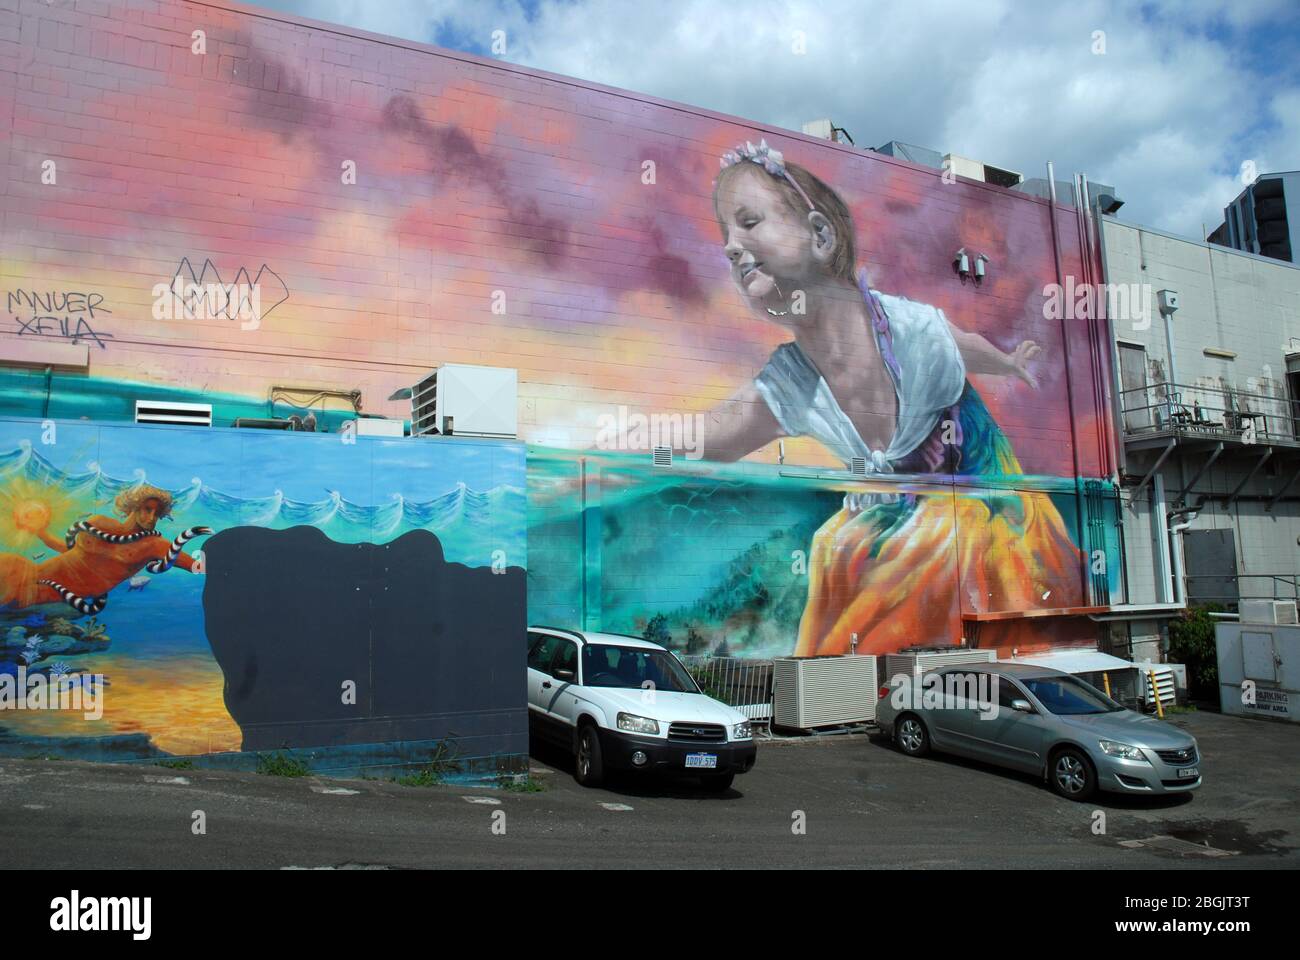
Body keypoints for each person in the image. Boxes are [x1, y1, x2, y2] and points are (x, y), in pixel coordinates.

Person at [705, 140, 1081, 655]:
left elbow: (959, 342)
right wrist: (630, 442)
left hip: (976, 489)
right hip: (899, 500)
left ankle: (954, 680)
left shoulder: (907, 327)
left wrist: (1008, 363)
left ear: (819, 234)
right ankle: (847, 684)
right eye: (725, 232)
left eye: (749, 222)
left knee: (929, 552)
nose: (730, 245)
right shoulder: (793, 378)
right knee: (831, 548)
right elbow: (718, 432)